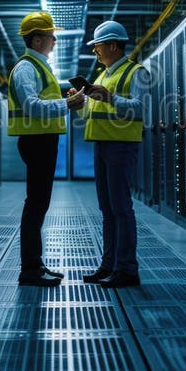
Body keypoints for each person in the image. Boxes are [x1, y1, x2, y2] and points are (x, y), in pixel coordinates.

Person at [8, 11, 85, 287]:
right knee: (36, 205)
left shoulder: (39, 67)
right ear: (38, 39)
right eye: (51, 35)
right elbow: (32, 106)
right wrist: (67, 105)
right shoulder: (27, 68)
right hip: (36, 141)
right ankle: (29, 270)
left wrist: (66, 101)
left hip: (43, 139)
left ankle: (35, 264)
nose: (54, 40)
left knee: (39, 205)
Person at [72, 20, 149, 288]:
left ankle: (127, 269)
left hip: (121, 145)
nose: (95, 51)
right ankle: (109, 266)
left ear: (113, 45)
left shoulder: (136, 72)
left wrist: (110, 98)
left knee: (121, 208)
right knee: (107, 209)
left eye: (98, 46)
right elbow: (94, 112)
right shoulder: (101, 76)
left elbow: (140, 109)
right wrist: (80, 104)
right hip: (102, 144)